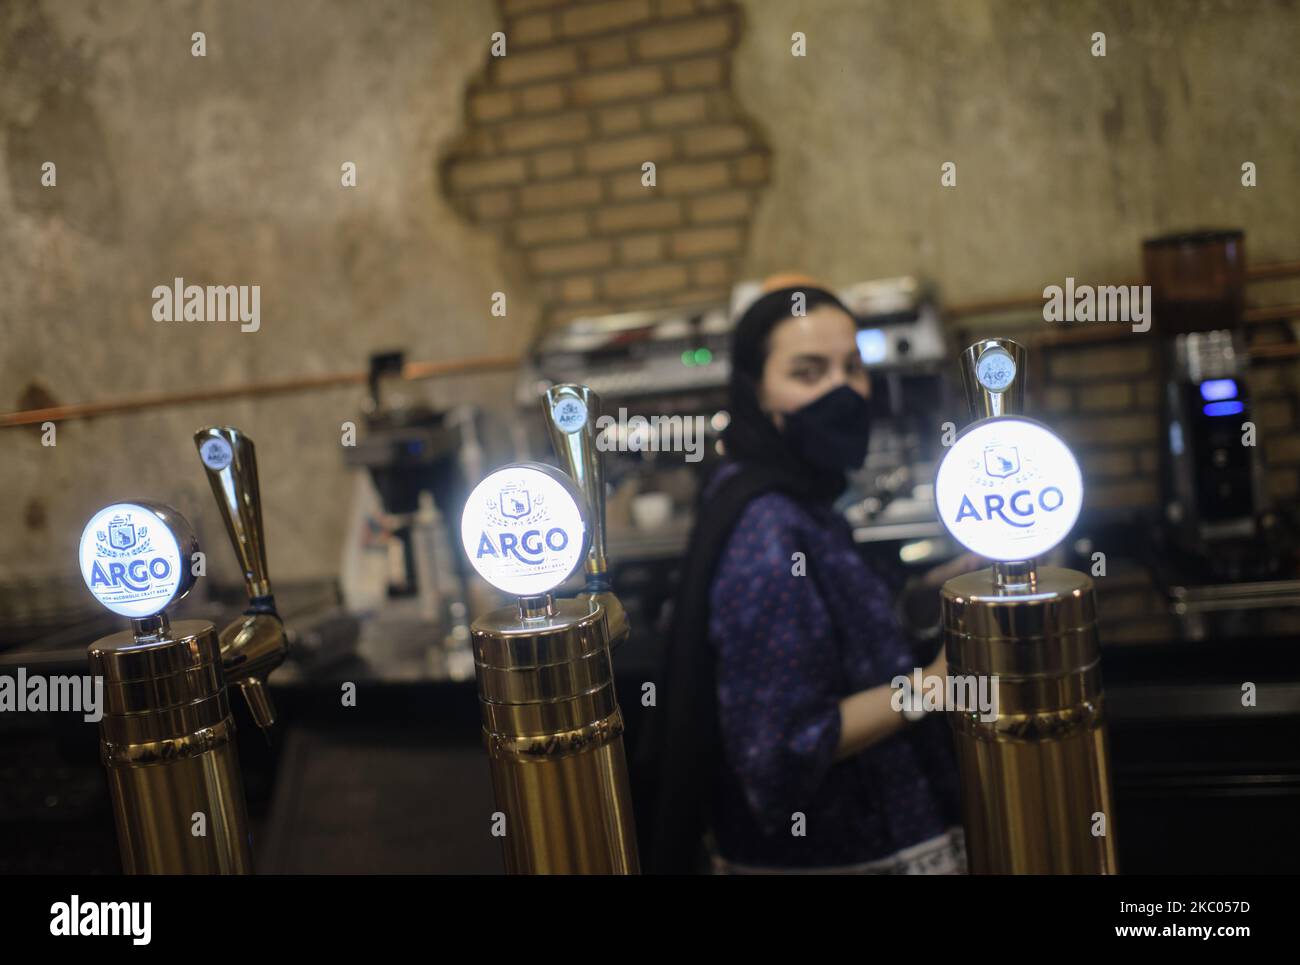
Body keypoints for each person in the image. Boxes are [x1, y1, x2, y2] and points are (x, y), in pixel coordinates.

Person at [639, 277, 973, 874]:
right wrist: (937, 683)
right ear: (756, 391)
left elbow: (833, 636)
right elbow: (783, 745)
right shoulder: (768, 527)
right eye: (808, 372)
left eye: (853, 368)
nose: (842, 392)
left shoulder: (796, 497)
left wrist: (931, 593)